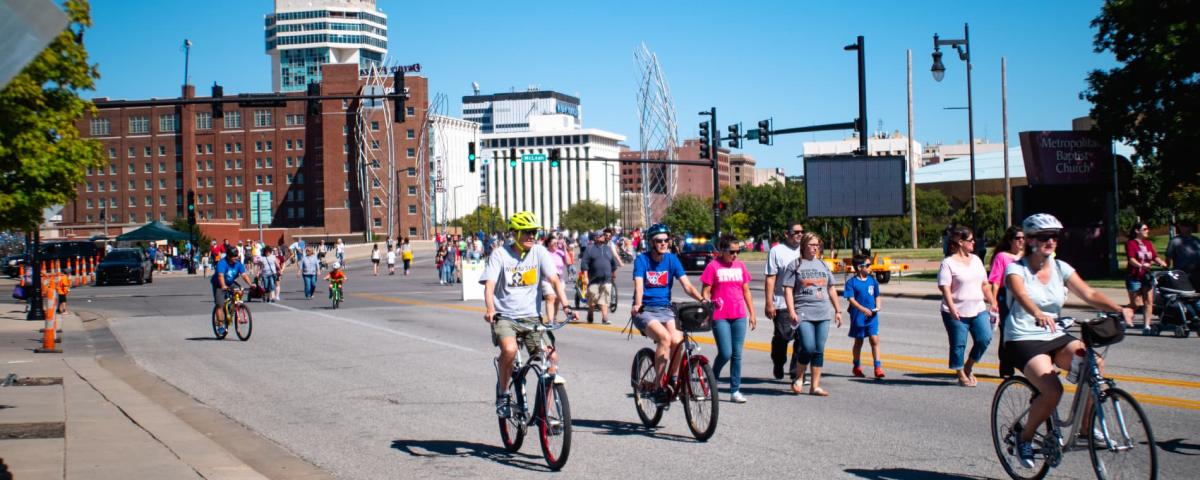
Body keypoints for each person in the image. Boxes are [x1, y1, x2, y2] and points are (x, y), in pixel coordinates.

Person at [1004, 214, 1133, 468]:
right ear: (1030, 240)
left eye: (1054, 236)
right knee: (1053, 390)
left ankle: (1086, 426)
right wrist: (1037, 313)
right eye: (1043, 237)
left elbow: (1088, 293)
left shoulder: (1061, 267)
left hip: (1054, 333)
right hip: (1023, 337)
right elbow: (1019, 294)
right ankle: (1024, 437)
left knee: (1093, 363)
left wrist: (1120, 308)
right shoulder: (1016, 269)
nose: (1050, 241)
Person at [483, 211, 573, 417]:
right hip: (505, 316)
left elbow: (555, 280)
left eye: (534, 232)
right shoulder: (500, 254)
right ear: (514, 233)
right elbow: (489, 286)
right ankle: (504, 393)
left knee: (552, 358)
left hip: (532, 318)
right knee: (510, 349)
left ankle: (547, 413)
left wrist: (567, 306)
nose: (532, 236)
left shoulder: (539, 252)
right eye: (527, 232)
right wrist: (490, 309)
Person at [631, 223, 705, 402]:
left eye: (666, 240)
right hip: (645, 310)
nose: (664, 243)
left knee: (678, 341)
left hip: (665, 309)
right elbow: (639, 285)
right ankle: (658, 386)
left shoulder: (672, 260)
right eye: (659, 240)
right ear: (651, 242)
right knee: (665, 338)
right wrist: (638, 304)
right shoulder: (642, 260)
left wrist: (702, 300)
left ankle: (672, 378)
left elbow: (687, 285)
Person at [781, 232, 843, 396]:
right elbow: (787, 289)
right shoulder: (795, 265)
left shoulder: (823, 265)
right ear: (804, 246)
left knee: (819, 350)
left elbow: (831, 288)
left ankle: (815, 386)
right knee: (808, 347)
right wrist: (791, 310)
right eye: (812, 245)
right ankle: (799, 377)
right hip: (803, 313)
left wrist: (838, 310)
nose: (815, 248)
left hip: (823, 313)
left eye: (817, 245)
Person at [937, 226, 999, 387]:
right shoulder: (948, 263)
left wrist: (993, 301)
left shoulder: (977, 260)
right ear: (960, 242)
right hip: (956, 311)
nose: (974, 243)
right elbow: (945, 288)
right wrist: (952, 308)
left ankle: (968, 366)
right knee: (958, 344)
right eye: (971, 240)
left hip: (978, 309)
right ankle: (960, 374)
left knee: (984, 338)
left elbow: (985, 284)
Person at [700, 234, 756, 403]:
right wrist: (707, 307)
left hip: (739, 314)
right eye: (732, 251)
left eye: (738, 251)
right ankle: (711, 380)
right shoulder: (713, 266)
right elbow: (705, 291)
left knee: (737, 354)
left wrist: (752, 313)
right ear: (722, 250)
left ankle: (735, 390)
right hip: (720, 315)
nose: (735, 255)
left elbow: (746, 290)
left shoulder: (740, 266)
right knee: (725, 352)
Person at [765, 221, 805, 382]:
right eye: (796, 232)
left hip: (803, 303)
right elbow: (770, 278)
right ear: (786, 234)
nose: (800, 234)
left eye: (802, 232)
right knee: (783, 337)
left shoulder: (807, 250)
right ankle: (778, 362)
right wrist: (769, 302)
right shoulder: (777, 251)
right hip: (781, 303)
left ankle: (796, 371)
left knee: (803, 339)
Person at [988, 226, 1025, 377]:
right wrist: (994, 301)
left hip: (1023, 295)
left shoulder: (1027, 256)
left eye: (1023, 238)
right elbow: (995, 281)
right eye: (1018, 238)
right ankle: (1006, 368)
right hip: (1006, 295)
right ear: (1010, 240)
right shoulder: (1002, 257)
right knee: (1007, 332)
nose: (1021, 241)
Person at [844, 256, 883, 379]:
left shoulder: (872, 280)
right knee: (859, 341)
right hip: (858, 316)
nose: (870, 267)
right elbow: (851, 299)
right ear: (860, 268)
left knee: (874, 340)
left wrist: (878, 305)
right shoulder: (851, 282)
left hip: (872, 316)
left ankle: (877, 368)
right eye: (868, 265)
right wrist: (863, 309)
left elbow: (877, 295)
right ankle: (856, 366)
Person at [1125, 222, 1167, 334]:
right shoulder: (1130, 243)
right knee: (1136, 303)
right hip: (1134, 276)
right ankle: (1122, 315)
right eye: (1145, 229)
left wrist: (1160, 262)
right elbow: (1131, 259)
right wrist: (1142, 265)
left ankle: (1147, 326)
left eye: (1147, 229)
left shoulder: (1148, 243)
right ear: (1137, 231)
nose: (1147, 231)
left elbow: (1154, 256)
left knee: (1149, 302)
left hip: (1146, 277)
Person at [580, 230, 618, 324]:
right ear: (596, 238)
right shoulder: (590, 249)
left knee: (604, 299)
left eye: (604, 236)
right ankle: (590, 312)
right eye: (601, 235)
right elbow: (584, 263)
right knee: (592, 300)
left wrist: (613, 272)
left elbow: (613, 262)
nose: (604, 237)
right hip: (594, 280)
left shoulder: (607, 248)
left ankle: (605, 318)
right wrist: (585, 276)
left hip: (606, 279)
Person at [211, 248, 251, 330]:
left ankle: (232, 307)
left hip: (230, 283)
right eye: (234, 257)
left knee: (240, 291)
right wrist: (223, 286)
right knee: (220, 304)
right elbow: (220, 276)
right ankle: (221, 325)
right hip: (219, 284)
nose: (236, 258)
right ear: (228, 256)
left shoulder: (238, 264)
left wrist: (251, 284)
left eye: (237, 256)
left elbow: (244, 275)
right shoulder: (222, 263)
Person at [1166, 222, 1200, 287]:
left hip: (1197, 272)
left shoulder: (1196, 240)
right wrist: (1168, 269)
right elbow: (1168, 257)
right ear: (1181, 228)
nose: (1190, 228)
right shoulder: (1175, 241)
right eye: (1187, 226)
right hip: (1183, 274)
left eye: (1190, 226)